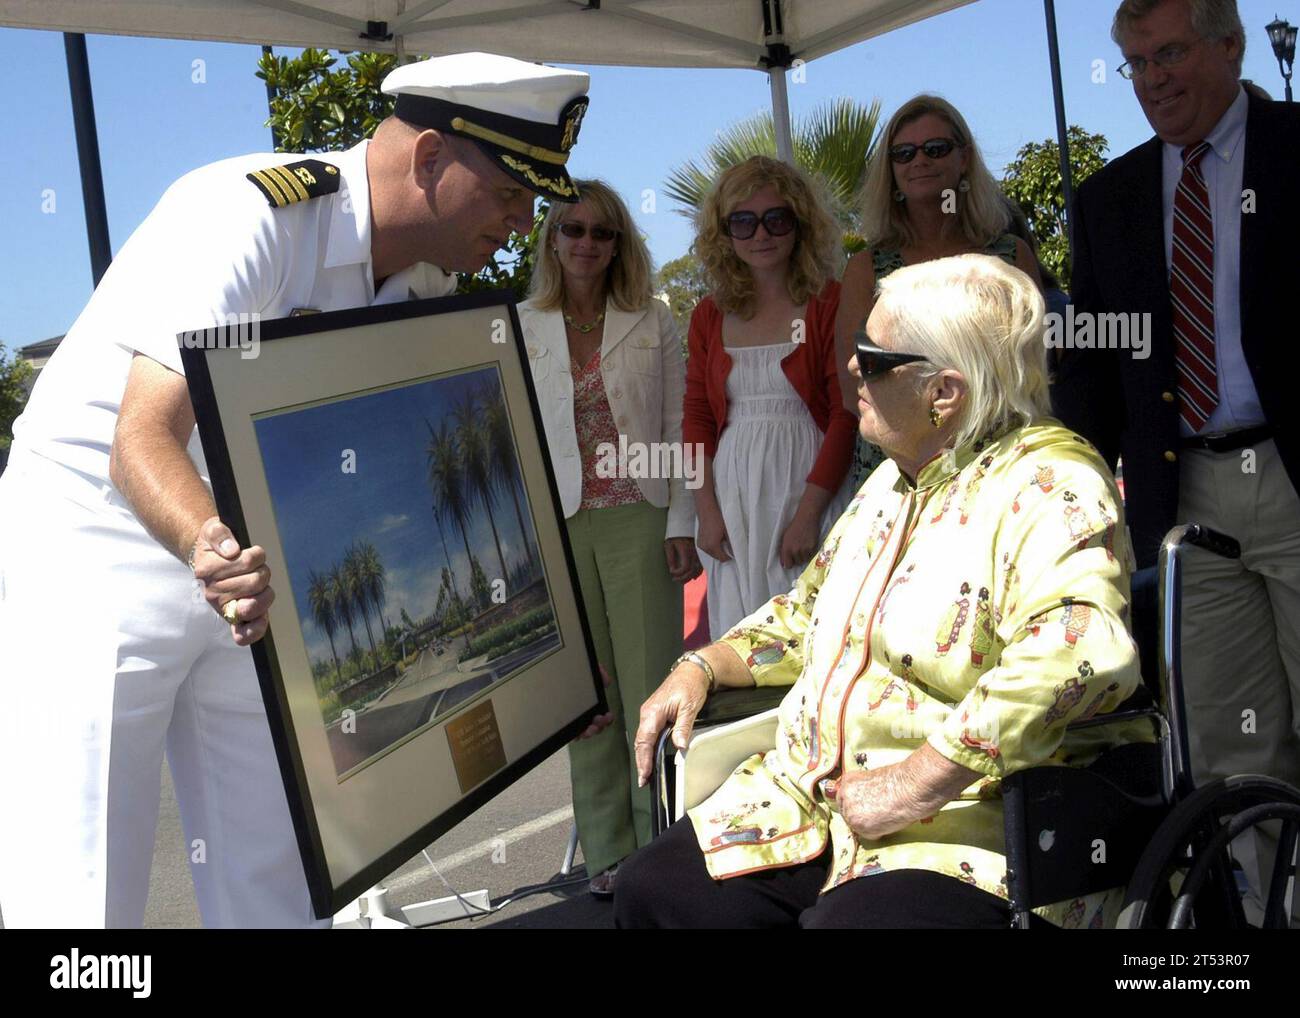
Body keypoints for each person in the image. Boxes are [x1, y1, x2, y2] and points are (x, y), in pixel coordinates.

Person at [0, 52, 590, 929]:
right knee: (82, 890)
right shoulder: (255, 217)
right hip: (99, 540)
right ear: (429, 159)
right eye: (510, 192)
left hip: (246, 559)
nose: (523, 218)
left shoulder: (426, 279)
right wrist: (212, 546)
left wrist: (555, 671)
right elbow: (140, 442)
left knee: (277, 865)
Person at [617, 254, 1142, 930]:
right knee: (656, 890)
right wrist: (701, 665)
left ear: (943, 393)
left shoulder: (1051, 483)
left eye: (873, 354)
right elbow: (804, 612)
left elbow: (1081, 652)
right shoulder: (894, 480)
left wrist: (916, 781)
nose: (852, 367)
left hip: (970, 832)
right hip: (813, 806)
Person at [1050, 0, 1300, 923]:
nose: (1153, 78)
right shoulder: (1109, 199)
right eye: (1135, 62)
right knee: (1235, 754)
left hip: (1290, 477)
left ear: (1230, 46)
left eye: (1170, 53)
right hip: (1187, 497)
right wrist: (1076, 504)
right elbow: (1088, 375)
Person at [519, 180, 699, 897]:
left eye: (602, 232)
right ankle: (606, 855)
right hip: (562, 528)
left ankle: (656, 851)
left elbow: (680, 423)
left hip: (643, 520)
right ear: (552, 240)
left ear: (619, 242)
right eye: (573, 229)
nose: (586, 243)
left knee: (651, 685)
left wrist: (682, 519)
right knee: (589, 703)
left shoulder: (652, 318)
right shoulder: (520, 323)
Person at [683, 156, 856, 641]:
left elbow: (846, 412)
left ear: (800, 225)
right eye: (743, 221)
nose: (761, 234)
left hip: (807, 481)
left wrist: (808, 516)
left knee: (811, 628)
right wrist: (707, 512)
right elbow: (696, 418)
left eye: (776, 219)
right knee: (741, 636)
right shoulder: (709, 316)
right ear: (725, 232)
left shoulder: (828, 301)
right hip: (732, 491)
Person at [835, 96, 1042, 488]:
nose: (919, 161)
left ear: (964, 158)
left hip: (1000, 461)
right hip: (895, 468)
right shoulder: (864, 268)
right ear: (890, 169)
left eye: (935, 149)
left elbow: (1030, 370)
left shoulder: (1011, 255)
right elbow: (853, 386)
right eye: (903, 153)